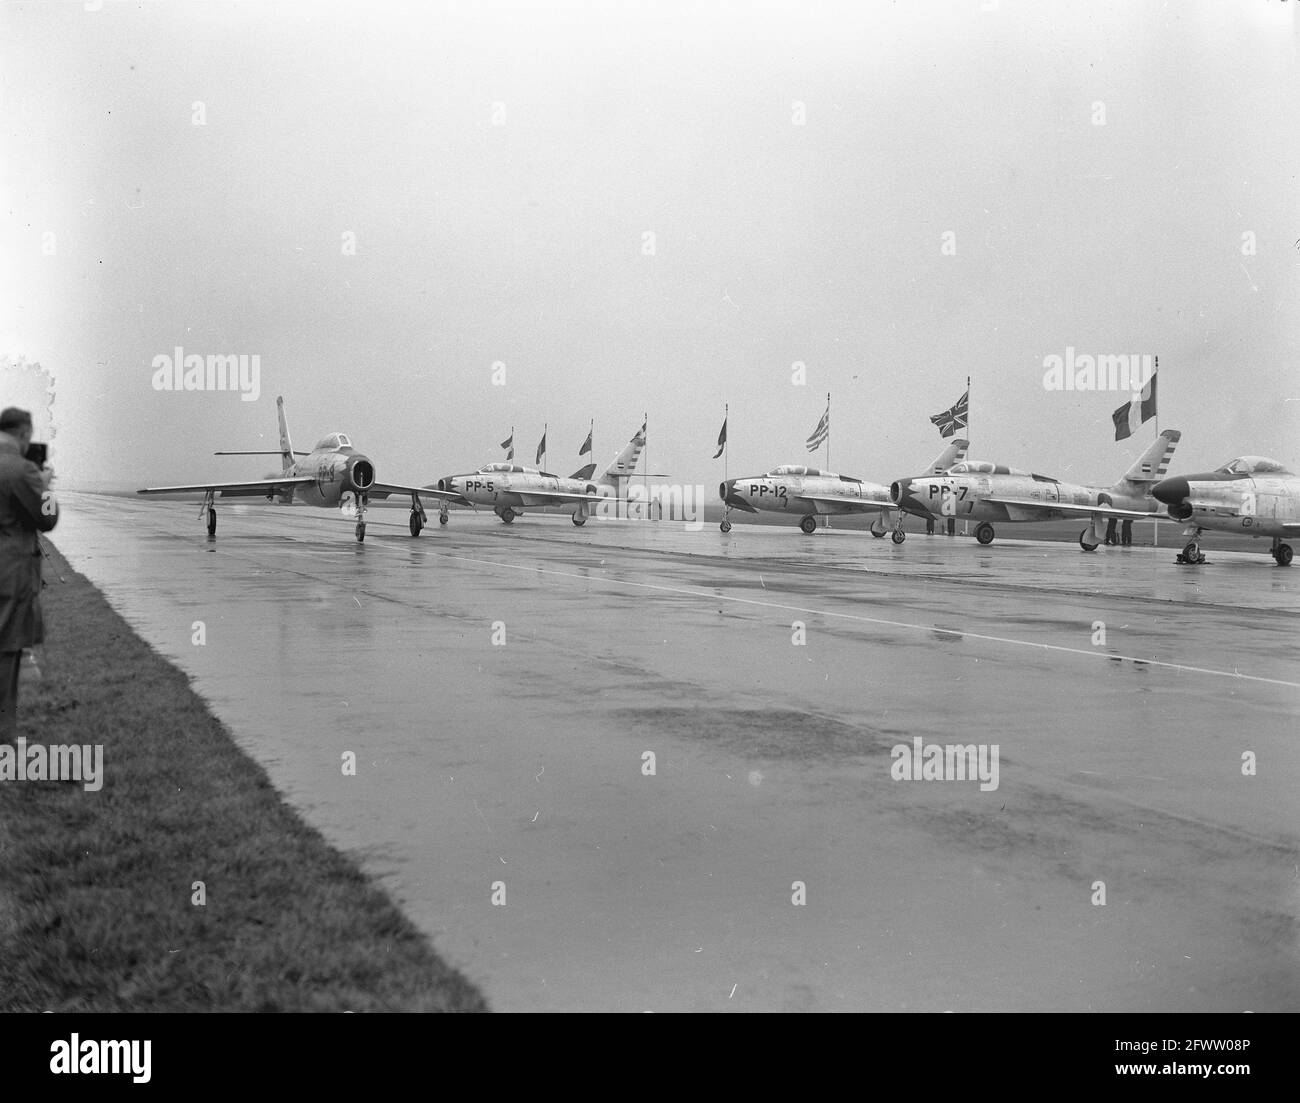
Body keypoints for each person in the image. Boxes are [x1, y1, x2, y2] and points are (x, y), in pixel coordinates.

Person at [0, 407, 58, 743]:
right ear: (23, 433)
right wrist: (45, 486)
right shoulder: (19, 469)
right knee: (7, 654)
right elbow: (46, 518)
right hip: (8, 575)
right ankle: (5, 741)